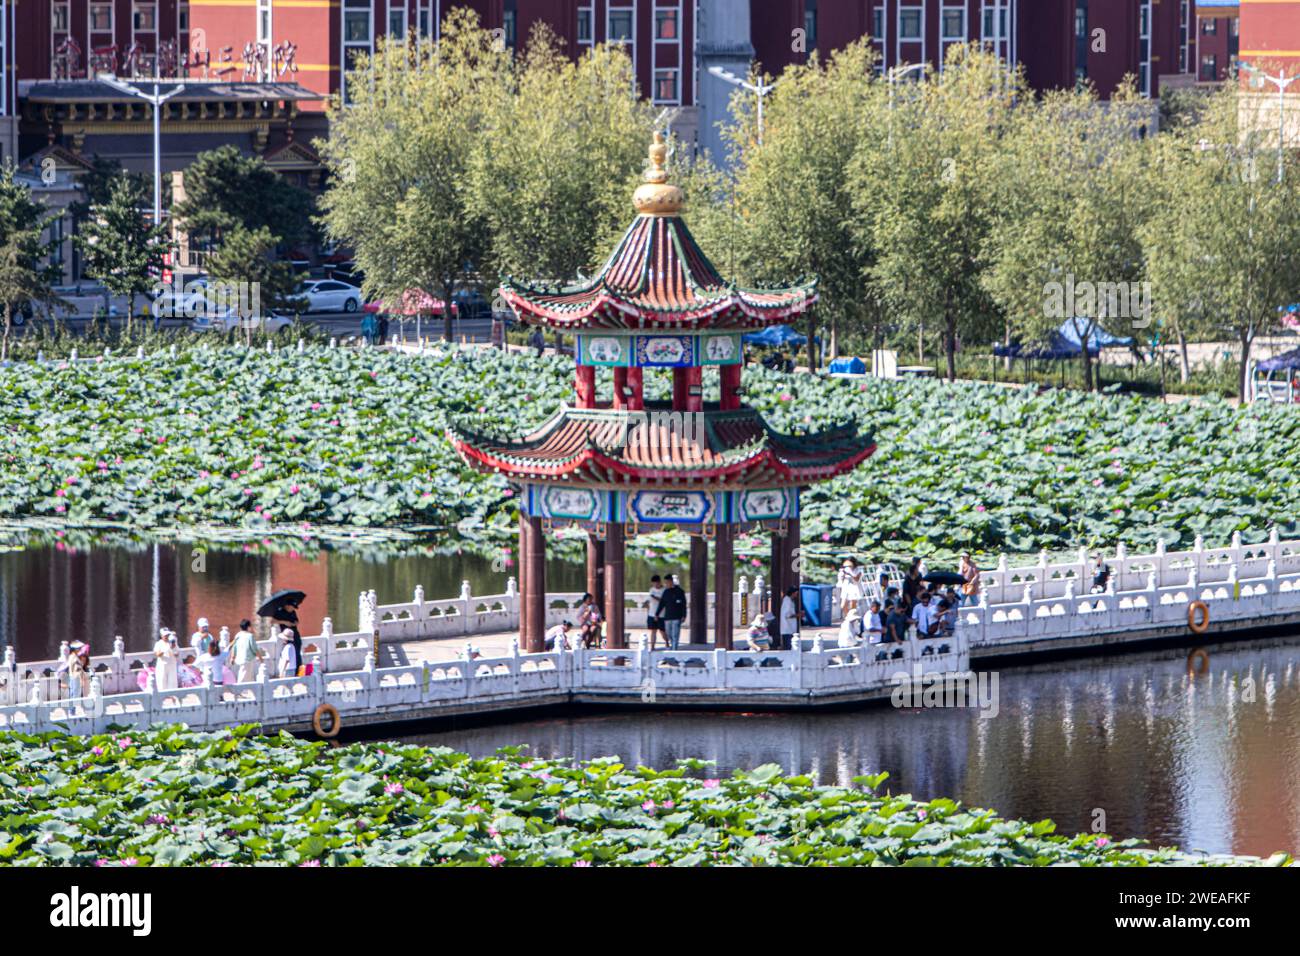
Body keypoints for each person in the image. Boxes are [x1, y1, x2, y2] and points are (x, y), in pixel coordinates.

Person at [272, 601, 304, 673]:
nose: (293, 609)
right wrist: (285, 622)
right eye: (292, 607)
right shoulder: (279, 611)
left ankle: (299, 671)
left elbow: (297, 621)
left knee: (297, 653)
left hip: (295, 634)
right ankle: (287, 670)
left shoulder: (293, 612)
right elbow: (272, 621)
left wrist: (295, 623)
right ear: (287, 606)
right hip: (286, 636)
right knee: (288, 654)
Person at [658, 574, 687, 650]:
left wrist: (684, 615)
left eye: (667, 582)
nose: (666, 584)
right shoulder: (666, 592)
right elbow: (662, 604)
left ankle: (674, 651)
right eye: (665, 582)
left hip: (676, 617)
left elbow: (683, 604)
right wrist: (657, 614)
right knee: (668, 634)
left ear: (671, 582)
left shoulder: (680, 591)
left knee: (675, 635)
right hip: (667, 617)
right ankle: (672, 646)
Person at [230, 619, 264, 683]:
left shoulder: (238, 635)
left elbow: (234, 647)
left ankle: (246, 690)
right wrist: (260, 658)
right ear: (248, 627)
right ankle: (239, 690)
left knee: (246, 675)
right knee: (244, 676)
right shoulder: (250, 636)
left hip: (239, 658)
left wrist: (232, 657)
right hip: (248, 659)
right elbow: (254, 648)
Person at [645, 575, 667, 650]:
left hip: (661, 614)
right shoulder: (651, 590)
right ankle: (652, 647)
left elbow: (663, 601)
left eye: (656, 583)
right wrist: (648, 611)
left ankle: (667, 642)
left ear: (659, 582)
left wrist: (654, 597)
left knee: (662, 631)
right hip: (651, 614)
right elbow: (649, 601)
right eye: (653, 583)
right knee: (653, 631)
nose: (655, 585)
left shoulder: (664, 590)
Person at [779, 586, 800, 651]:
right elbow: (787, 615)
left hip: (790, 628)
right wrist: (798, 615)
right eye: (796, 593)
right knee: (788, 648)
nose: (796, 595)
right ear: (792, 593)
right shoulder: (787, 601)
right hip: (787, 628)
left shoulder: (791, 601)